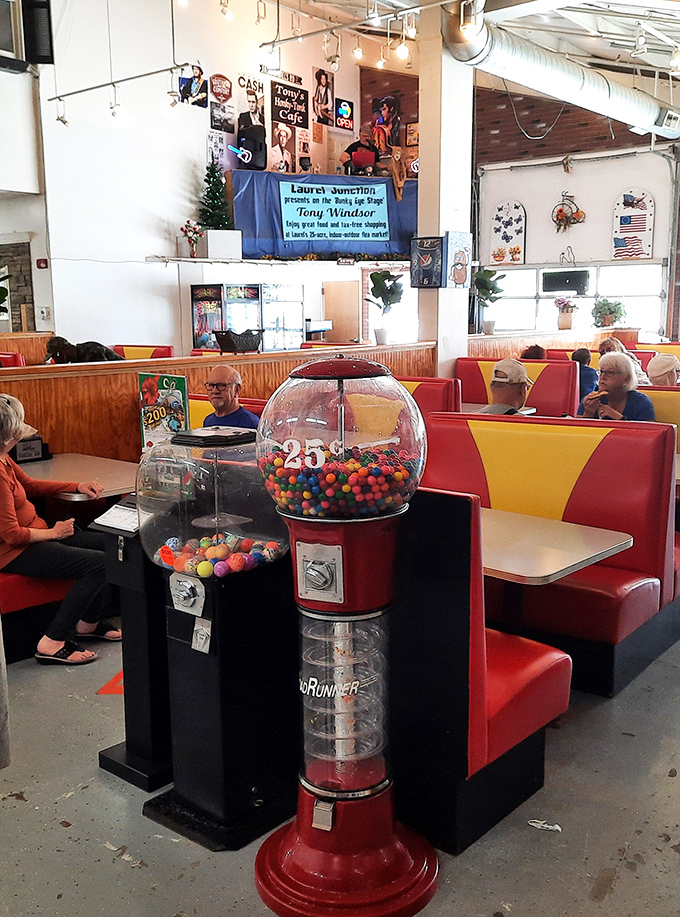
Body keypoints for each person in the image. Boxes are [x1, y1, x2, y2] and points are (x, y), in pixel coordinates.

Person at [0, 395, 121, 666]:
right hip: (14, 551)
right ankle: (52, 641)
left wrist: (76, 485)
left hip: (37, 534)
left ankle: (88, 624)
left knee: (110, 546)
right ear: (11, 433)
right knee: (99, 565)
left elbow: (30, 485)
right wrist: (55, 533)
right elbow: (12, 536)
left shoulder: (4, 459)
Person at [577, 352, 655, 421]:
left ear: (626, 380)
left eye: (610, 372)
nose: (602, 377)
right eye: (601, 372)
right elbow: (579, 435)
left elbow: (649, 434)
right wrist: (588, 413)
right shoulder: (589, 400)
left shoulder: (641, 403)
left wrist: (620, 419)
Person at [202, 365, 259, 429]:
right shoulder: (208, 421)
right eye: (211, 385)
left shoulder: (250, 424)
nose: (215, 391)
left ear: (236, 389)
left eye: (221, 385)